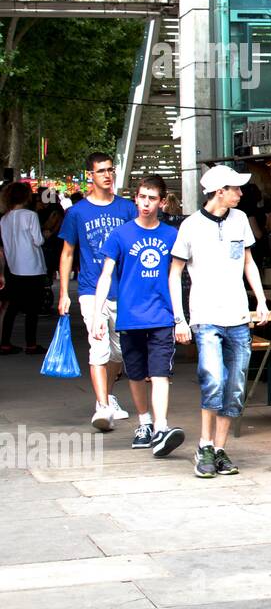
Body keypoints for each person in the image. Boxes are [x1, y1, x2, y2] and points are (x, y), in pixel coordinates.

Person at [169, 165, 270, 479]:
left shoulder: (240, 220)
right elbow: (175, 274)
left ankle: (220, 449)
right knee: (213, 379)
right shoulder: (190, 226)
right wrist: (179, 319)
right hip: (206, 316)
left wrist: (261, 300)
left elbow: (248, 263)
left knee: (236, 387)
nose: (240, 193)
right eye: (235, 188)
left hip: (238, 315)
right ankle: (205, 446)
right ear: (219, 191)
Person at [90, 176, 184, 458]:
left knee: (160, 374)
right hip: (129, 317)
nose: (145, 203)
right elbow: (106, 275)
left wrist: (180, 318)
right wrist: (97, 315)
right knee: (135, 373)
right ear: (135, 199)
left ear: (162, 202)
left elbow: (178, 276)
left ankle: (161, 427)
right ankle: (144, 423)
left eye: (152, 198)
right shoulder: (120, 235)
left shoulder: (171, 235)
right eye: (142, 197)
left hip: (161, 316)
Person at [58, 153, 137, 430]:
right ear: (90, 174)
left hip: (122, 291)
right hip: (92, 291)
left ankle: (110, 396)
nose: (107, 175)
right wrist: (65, 292)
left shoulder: (127, 209)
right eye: (101, 171)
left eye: (110, 170)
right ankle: (102, 407)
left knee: (118, 353)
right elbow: (68, 252)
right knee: (98, 347)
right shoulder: (77, 212)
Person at [1, 182, 47, 353]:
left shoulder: (4, 219)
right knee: (32, 309)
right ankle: (31, 344)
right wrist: (45, 233)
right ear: (26, 197)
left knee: (12, 307)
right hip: (32, 267)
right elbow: (38, 240)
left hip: (14, 267)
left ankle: (5, 342)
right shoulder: (30, 216)